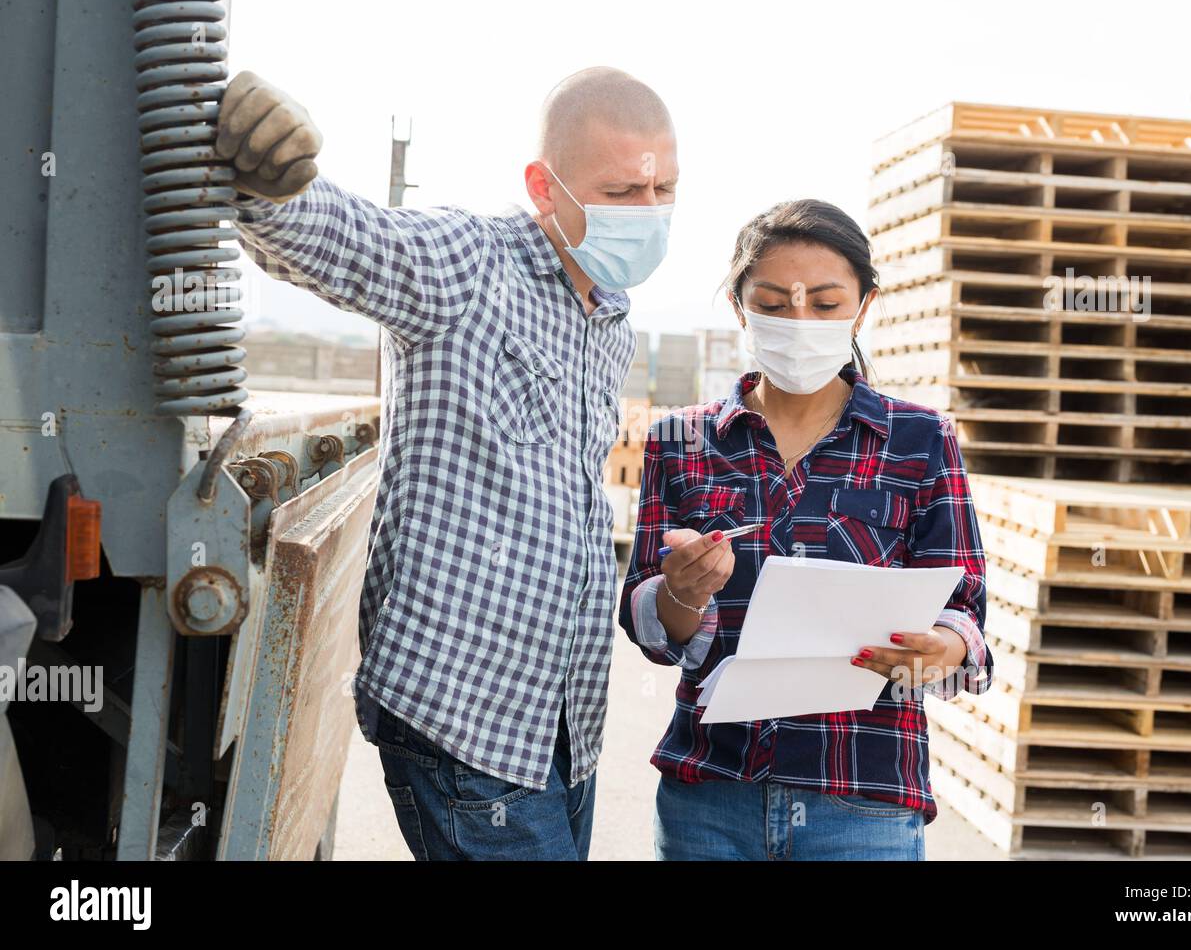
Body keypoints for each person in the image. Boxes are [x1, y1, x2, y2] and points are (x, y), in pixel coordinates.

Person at [217, 67, 678, 860]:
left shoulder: (610, 319)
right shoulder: (470, 266)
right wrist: (273, 183)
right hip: (465, 713)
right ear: (544, 186)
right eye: (622, 194)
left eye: (664, 190)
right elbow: (347, 238)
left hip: (563, 721)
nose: (650, 215)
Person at [618, 199, 992, 861]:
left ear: (863, 307)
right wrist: (681, 595)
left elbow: (965, 614)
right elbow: (650, 631)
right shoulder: (679, 442)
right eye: (773, 302)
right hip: (709, 794)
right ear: (740, 308)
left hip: (862, 799)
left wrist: (943, 649)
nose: (799, 322)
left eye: (824, 304)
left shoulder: (922, 441)